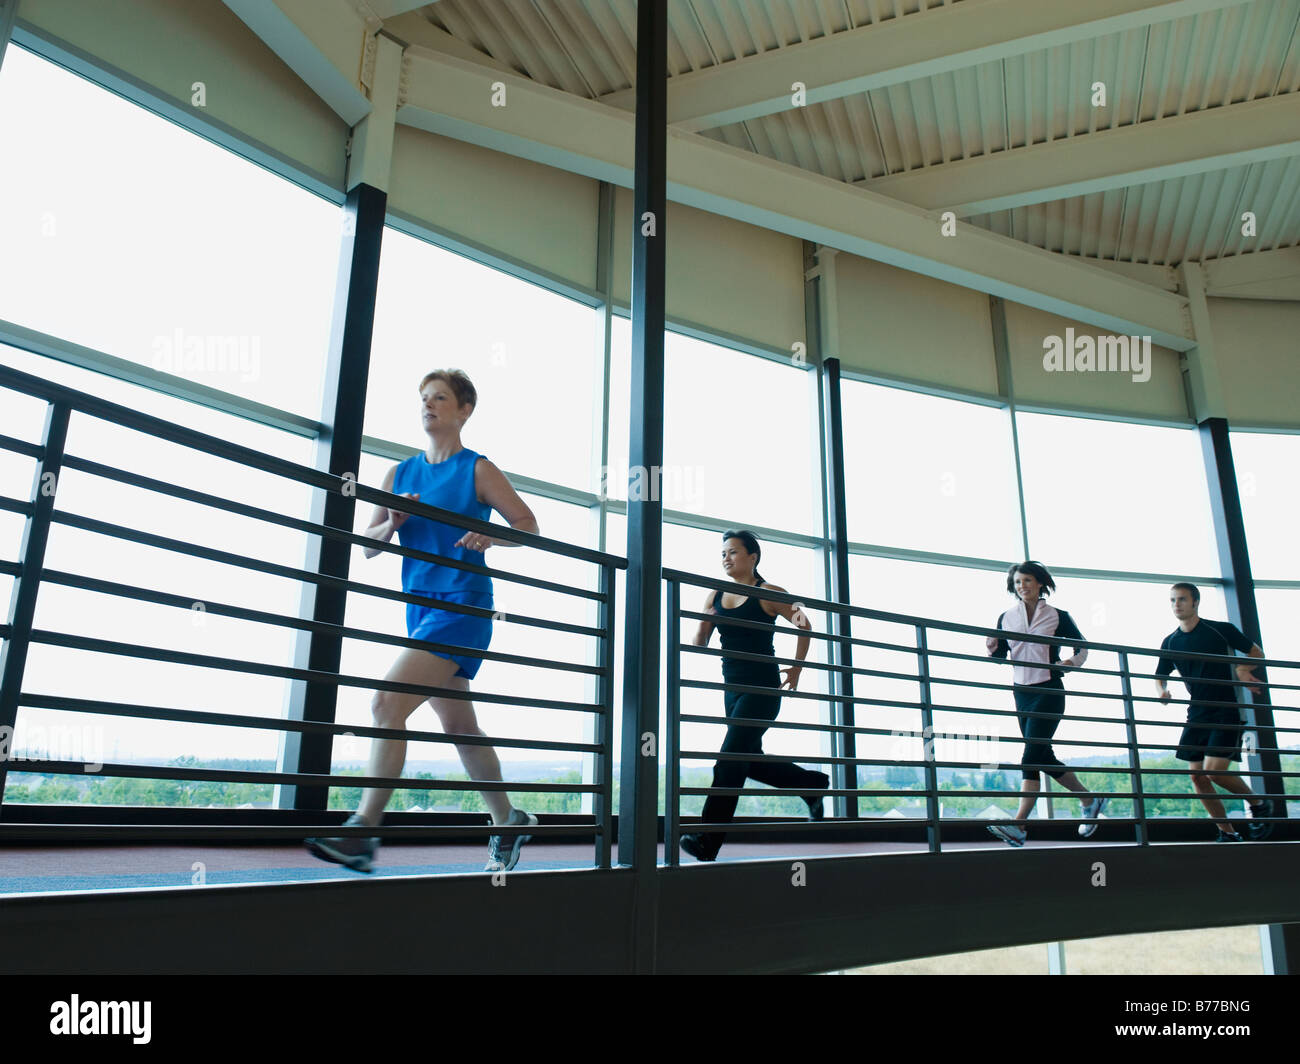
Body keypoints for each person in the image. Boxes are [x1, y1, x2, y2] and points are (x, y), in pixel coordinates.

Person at [306, 369, 541, 874]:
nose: (429, 405)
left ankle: (363, 832)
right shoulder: (399, 475)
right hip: (421, 609)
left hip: (463, 606)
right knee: (459, 725)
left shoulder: (477, 469)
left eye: (440, 398)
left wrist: (490, 537)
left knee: (386, 702)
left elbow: (528, 527)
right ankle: (509, 818)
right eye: (424, 398)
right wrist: (392, 522)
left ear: (464, 411)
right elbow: (368, 547)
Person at [679, 530, 830, 862]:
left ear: (753, 557)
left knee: (729, 759)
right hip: (731, 691)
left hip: (762, 689)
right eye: (722, 554)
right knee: (747, 760)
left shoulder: (769, 593)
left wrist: (796, 668)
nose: (726, 559)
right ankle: (811, 784)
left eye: (733, 552)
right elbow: (700, 642)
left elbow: (805, 623)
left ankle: (708, 839)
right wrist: (703, 625)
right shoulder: (714, 595)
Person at [984, 561, 1107, 846]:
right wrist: (991, 646)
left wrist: (1070, 663)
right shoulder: (1007, 616)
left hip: (1049, 690)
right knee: (1040, 755)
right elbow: (1000, 655)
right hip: (1021, 693)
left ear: (1040, 583)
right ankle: (1090, 799)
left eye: (1027, 580)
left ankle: (1019, 825)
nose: (1022, 586)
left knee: (1031, 755)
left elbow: (1083, 646)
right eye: (1017, 582)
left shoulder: (1057, 615)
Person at [1154, 582, 1277, 842]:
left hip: (1226, 708)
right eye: (1173, 600)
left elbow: (1256, 652)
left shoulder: (1221, 630)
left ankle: (1258, 804)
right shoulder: (1171, 641)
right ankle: (1228, 832)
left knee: (1214, 772)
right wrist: (1161, 691)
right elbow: (1160, 675)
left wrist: (1243, 669)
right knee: (1197, 777)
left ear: (1196, 602)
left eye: (1182, 599)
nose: (1177, 604)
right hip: (1197, 712)